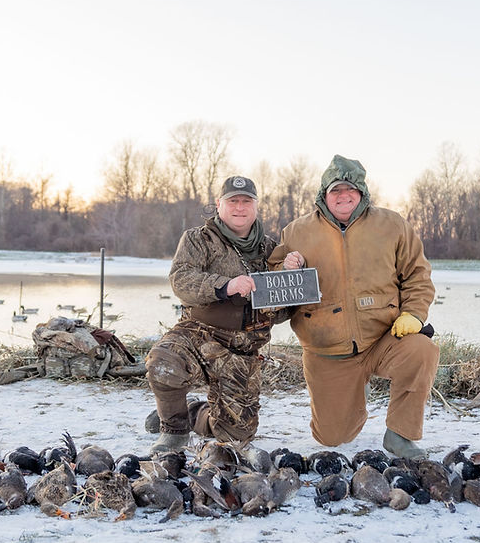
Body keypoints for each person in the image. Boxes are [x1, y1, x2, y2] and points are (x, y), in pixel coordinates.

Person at [268, 155, 440, 459]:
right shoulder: (296, 232)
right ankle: (353, 395)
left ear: (362, 193)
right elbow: (274, 287)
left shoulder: (393, 225)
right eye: (336, 190)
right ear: (324, 195)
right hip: (327, 350)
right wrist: (285, 267)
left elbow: (418, 275)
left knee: (422, 350)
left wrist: (413, 314)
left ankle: (400, 435)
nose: (343, 196)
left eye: (351, 190)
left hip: (383, 339)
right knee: (332, 438)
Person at [145, 175, 284, 454]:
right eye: (233, 201)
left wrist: (291, 272)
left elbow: (286, 309)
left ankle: (193, 412)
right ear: (219, 204)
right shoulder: (198, 240)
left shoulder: (271, 249)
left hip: (244, 348)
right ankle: (173, 431)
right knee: (163, 362)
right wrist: (224, 286)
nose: (240, 207)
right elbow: (181, 280)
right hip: (199, 332)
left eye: (247, 201)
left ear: (256, 207)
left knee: (235, 435)